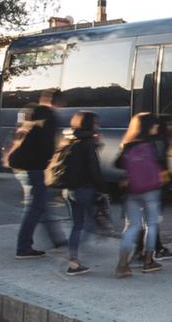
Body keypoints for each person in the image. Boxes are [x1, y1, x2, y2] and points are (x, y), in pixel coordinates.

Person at [13, 89, 67, 259]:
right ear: (56, 102)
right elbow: (47, 145)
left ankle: (57, 240)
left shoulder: (30, 111)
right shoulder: (48, 116)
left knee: (40, 204)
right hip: (33, 166)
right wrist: (49, 165)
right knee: (36, 206)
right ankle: (23, 248)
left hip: (21, 163)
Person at [114, 113, 164, 277]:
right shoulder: (152, 144)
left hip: (132, 190)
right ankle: (148, 261)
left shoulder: (127, 144)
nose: (157, 127)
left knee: (132, 226)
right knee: (151, 224)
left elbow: (118, 163)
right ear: (148, 127)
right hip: (151, 190)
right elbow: (159, 164)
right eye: (155, 125)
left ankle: (122, 265)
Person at [59, 111, 105, 275]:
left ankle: (73, 258)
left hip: (69, 190)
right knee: (89, 226)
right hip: (83, 189)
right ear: (89, 125)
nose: (97, 126)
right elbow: (94, 169)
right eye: (95, 123)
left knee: (77, 225)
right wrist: (102, 188)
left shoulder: (72, 139)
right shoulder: (88, 143)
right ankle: (73, 257)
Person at [135, 114, 172, 260]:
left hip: (143, 186)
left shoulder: (143, 140)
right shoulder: (159, 142)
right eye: (169, 124)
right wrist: (166, 180)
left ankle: (140, 249)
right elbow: (161, 164)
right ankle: (153, 252)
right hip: (154, 187)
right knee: (152, 221)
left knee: (145, 221)